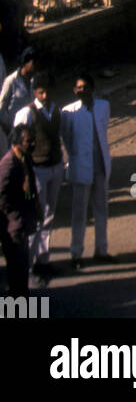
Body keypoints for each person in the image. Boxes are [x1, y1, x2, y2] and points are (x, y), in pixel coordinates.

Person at [13, 72, 62, 281]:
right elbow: (16, 144)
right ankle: (30, 267)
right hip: (37, 170)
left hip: (55, 166)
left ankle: (44, 260)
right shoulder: (27, 113)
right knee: (35, 218)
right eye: (41, 92)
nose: (45, 96)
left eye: (47, 92)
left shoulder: (55, 110)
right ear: (35, 93)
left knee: (49, 217)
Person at [61, 73, 112, 270]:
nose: (81, 90)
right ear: (75, 91)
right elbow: (66, 137)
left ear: (92, 88)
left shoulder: (103, 106)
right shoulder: (68, 112)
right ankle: (76, 253)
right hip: (80, 166)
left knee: (101, 209)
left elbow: (103, 128)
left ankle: (101, 249)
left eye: (85, 87)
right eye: (78, 87)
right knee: (79, 212)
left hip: (100, 165)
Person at [0, 123, 40, 295]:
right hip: (12, 226)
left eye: (33, 141)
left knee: (22, 265)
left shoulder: (25, 158)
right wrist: (14, 216)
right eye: (29, 141)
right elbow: (1, 195)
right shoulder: (9, 164)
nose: (33, 145)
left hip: (22, 222)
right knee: (16, 267)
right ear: (18, 142)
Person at [0, 47, 36, 133]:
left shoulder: (35, 80)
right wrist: (9, 128)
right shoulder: (11, 81)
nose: (36, 66)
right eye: (34, 63)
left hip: (32, 128)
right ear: (26, 63)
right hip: (15, 130)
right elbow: (1, 107)